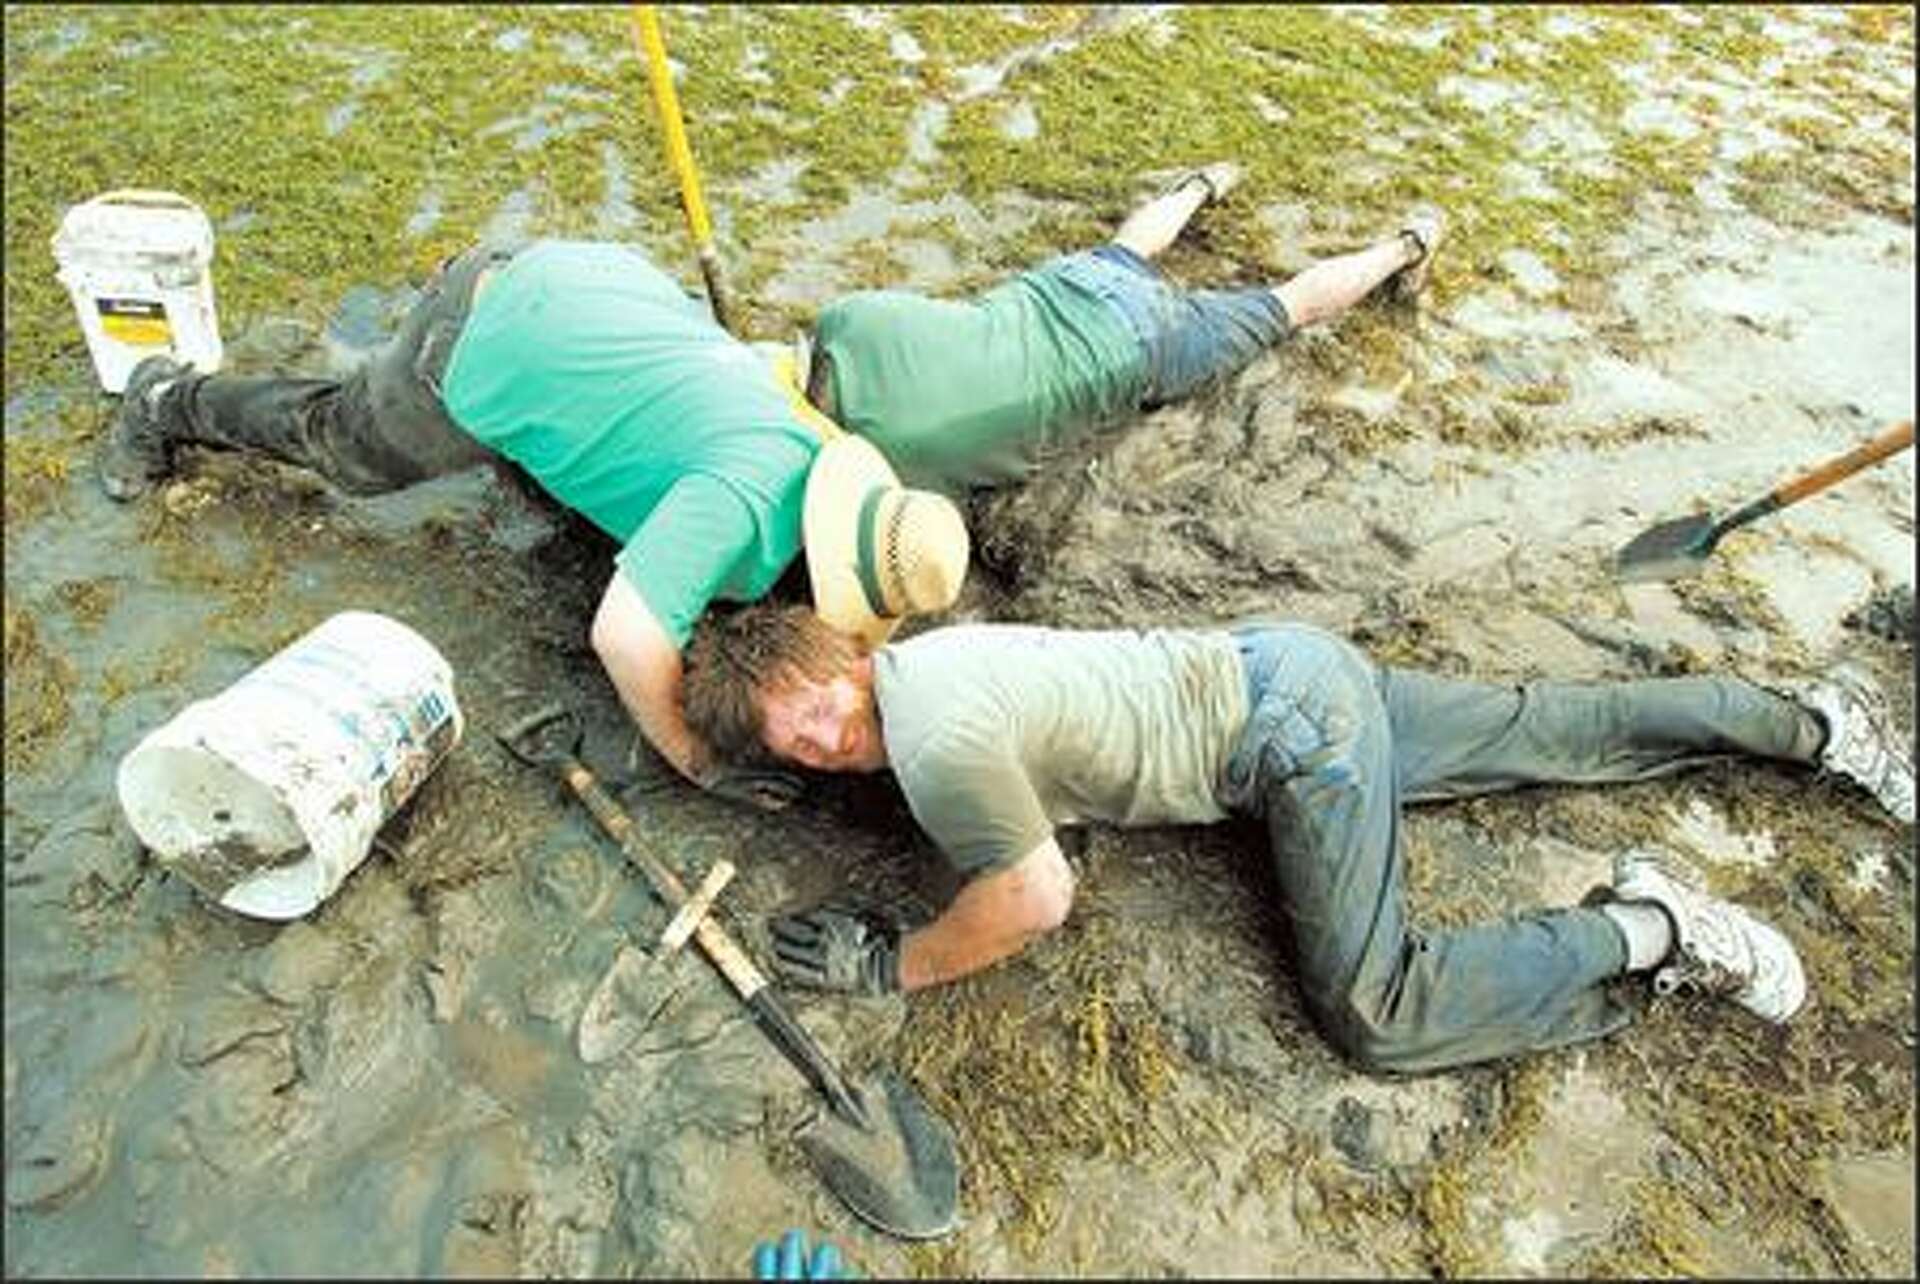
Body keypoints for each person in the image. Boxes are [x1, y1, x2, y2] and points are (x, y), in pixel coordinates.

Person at [95, 164, 1445, 805]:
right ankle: (167, 405)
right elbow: (624, 632)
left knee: (578, 469)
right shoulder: (742, 533)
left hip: (592, 284)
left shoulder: (814, 428)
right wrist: (685, 750)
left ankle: (479, 346)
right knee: (352, 448)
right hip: (484, 340)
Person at [679, 603, 1914, 1074]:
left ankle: (1653, 925)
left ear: (845, 656)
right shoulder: (926, 665)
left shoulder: (937, 743)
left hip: (1288, 740)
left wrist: (902, 964)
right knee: (1560, 731)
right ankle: (1815, 722)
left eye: (824, 709)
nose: (828, 738)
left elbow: (1034, 898)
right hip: (1280, 658)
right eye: (797, 747)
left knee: (1381, 1015)